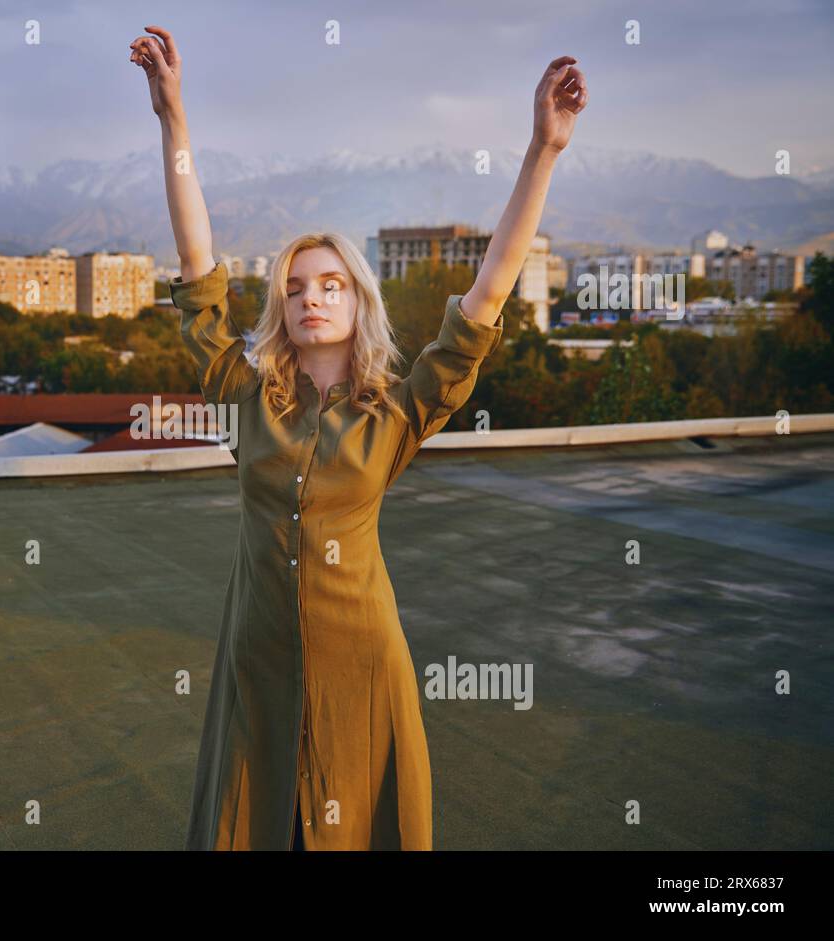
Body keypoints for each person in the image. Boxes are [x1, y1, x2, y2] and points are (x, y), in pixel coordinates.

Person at [130, 25, 586, 850]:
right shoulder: (245, 400)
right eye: (296, 286)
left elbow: (485, 298)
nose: (312, 297)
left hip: (362, 678)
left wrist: (543, 150)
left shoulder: (396, 415)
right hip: (257, 676)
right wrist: (174, 121)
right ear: (282, 307)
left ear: (356, 301)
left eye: (331, 283)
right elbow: (198, 276)